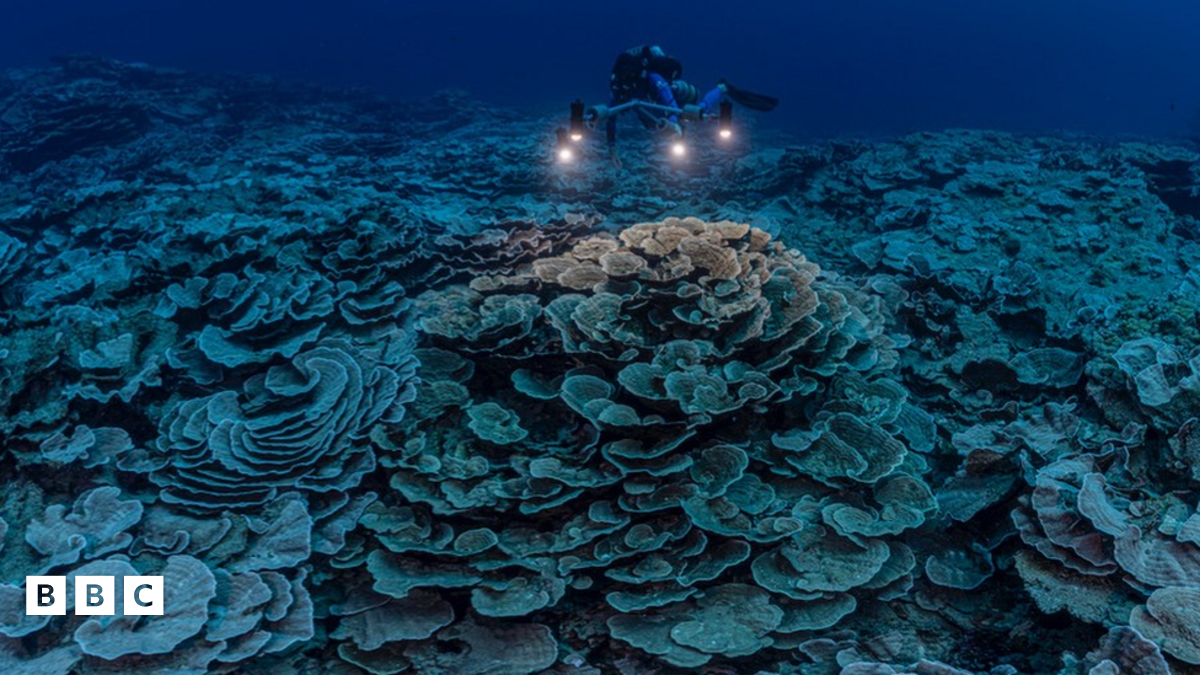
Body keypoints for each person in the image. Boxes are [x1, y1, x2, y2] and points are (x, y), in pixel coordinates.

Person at [605, 44, 777, 167]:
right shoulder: (619, 87)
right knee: (653, 125)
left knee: (700, 111)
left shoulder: (653, 78)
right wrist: (612, 148)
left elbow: (669, 100)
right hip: (652, 107)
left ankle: (721, 88)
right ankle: (675, 124)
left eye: (630, 75)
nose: (628, 79)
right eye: (624, 75)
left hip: (672, 98)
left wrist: (674, 121)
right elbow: (610, 116)